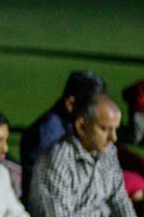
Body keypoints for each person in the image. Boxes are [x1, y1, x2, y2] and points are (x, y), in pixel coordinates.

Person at [18, 70, 105, 199]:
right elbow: (45, 192)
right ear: (70, 103)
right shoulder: (47, 136)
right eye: (93, 107)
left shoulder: (74, 127)